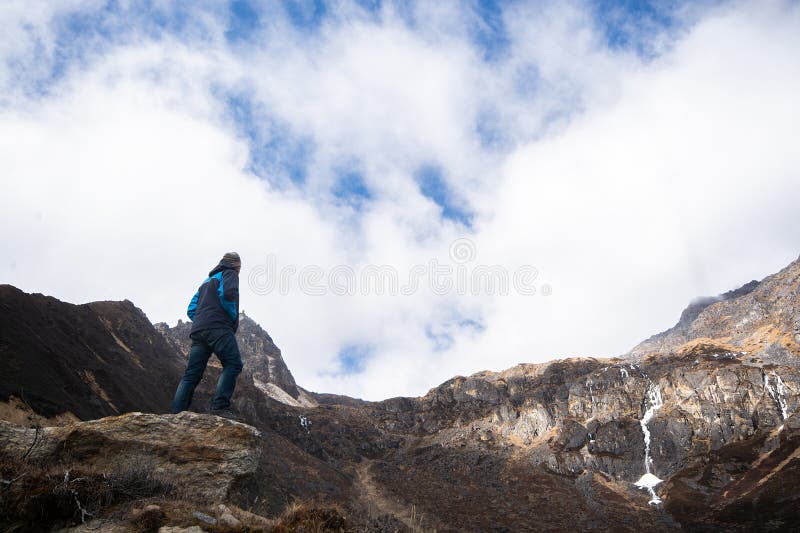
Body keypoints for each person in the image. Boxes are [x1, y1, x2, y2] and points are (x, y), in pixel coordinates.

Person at [172, 252, 243, 419]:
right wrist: (231, 318)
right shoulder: (230, 272)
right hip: (218, 327)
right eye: (240, 266)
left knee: (192, 373)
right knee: (233, 364)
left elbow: (191, 308)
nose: (240, 270)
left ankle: (176, 413)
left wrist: (202, 319)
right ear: (236, 265)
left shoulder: (206, 281)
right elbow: (227, 295)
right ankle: (220, 406)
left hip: (199, 330)